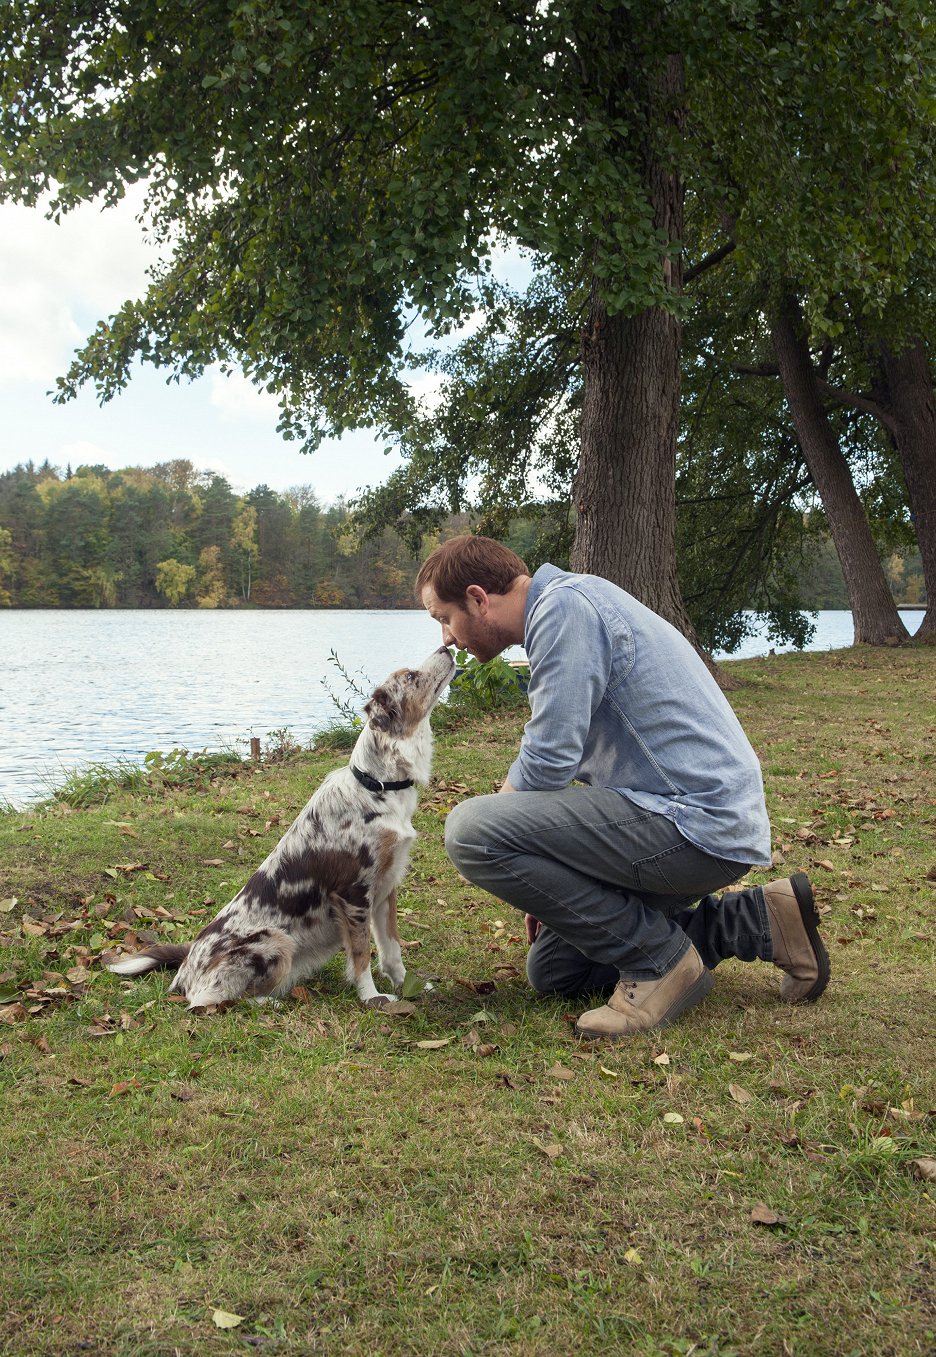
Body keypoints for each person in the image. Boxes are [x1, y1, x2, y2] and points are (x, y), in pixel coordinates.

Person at [416, 535, 830, 1040]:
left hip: (693, 822)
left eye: (443, 617)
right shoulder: (570, 603)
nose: (446, 638)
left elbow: (548, 759)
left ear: (478, 599)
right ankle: (759, 920)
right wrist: (543, 886)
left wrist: (512, 843)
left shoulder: (563, 609)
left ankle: (659, 961)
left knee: (471, 830)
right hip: (688, 822)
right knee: (557, 971)